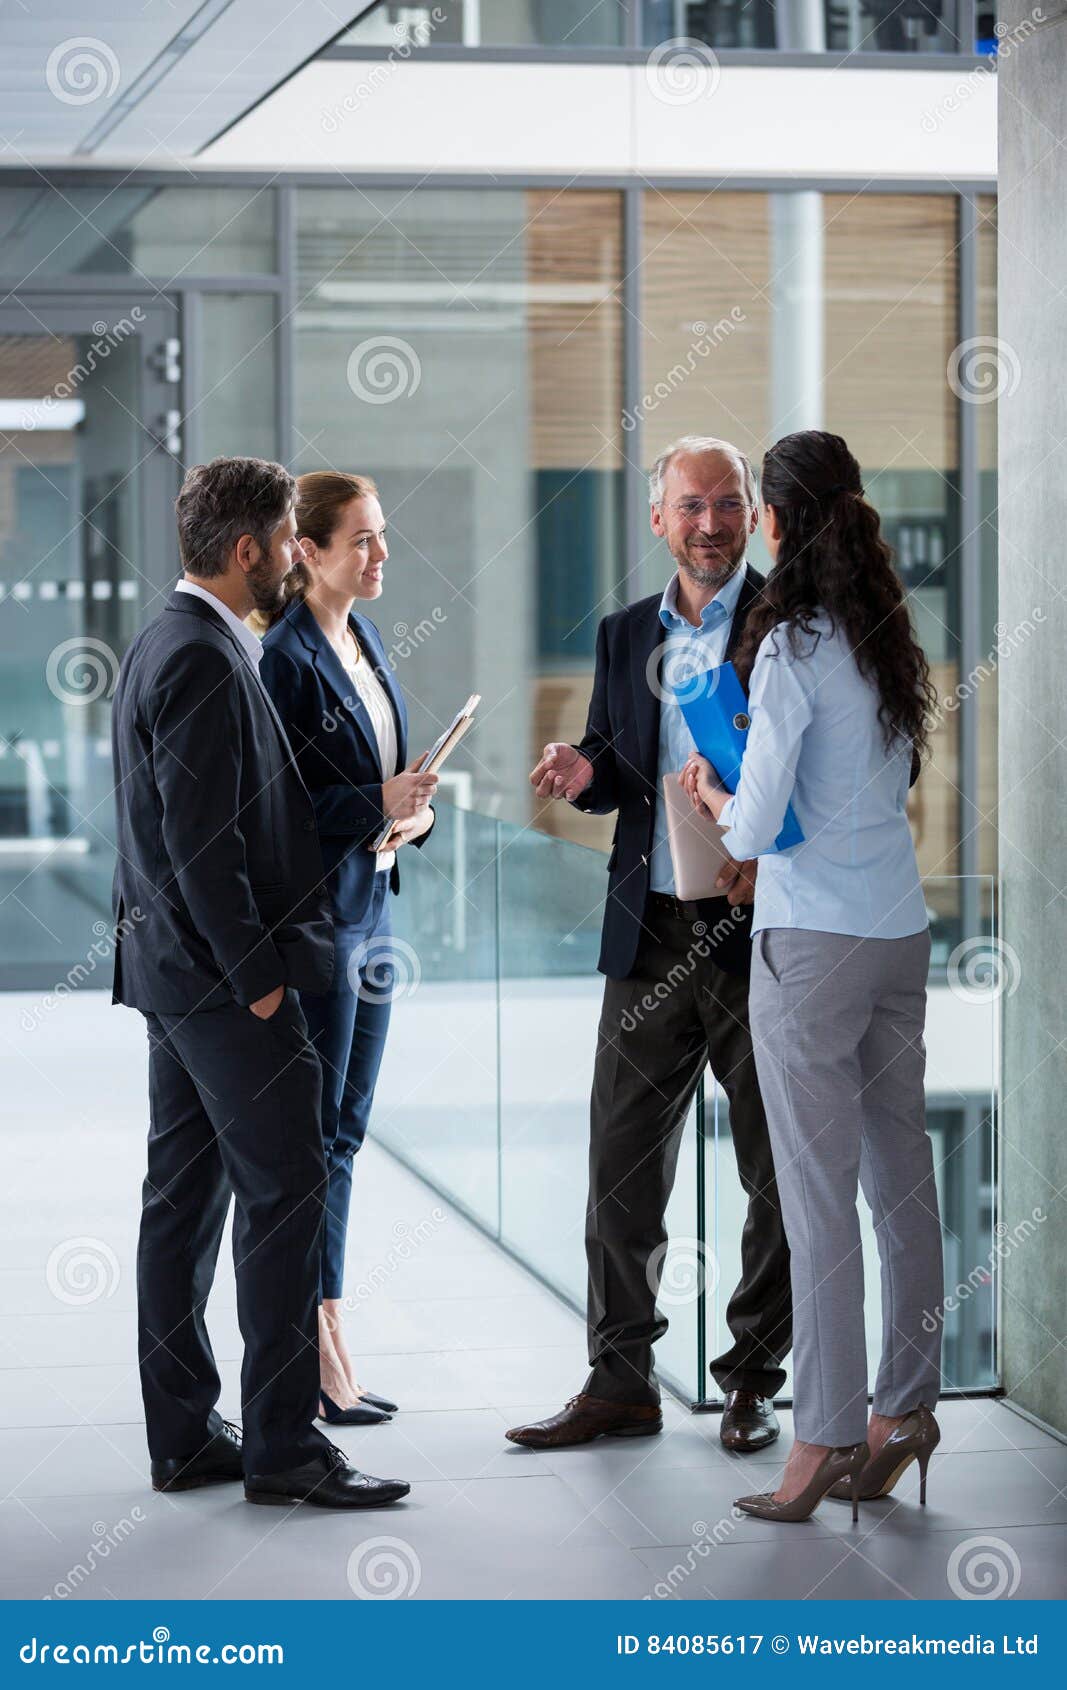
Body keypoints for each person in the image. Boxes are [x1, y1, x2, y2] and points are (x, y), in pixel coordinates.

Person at [111, 455, 409, 1510]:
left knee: (182, 1204)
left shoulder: (174, 638)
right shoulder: (201, 656)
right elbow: (201, 850)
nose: (296, 557)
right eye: (291, 540)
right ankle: (286, 1448)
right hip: (226, 990)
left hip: (176, 981)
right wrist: (263, 988)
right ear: (250, 551)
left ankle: (187, 1435)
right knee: (285, 1199)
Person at [506, 436, 792, 1456]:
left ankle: (753, 1382)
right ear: (659, 519)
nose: (709, 522)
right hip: (645, 932)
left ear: (750, 514)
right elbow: (619, 760)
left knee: (776, 1172)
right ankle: (618, 1379)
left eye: (727, 504)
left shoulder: (788, 623)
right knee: (620, 1166)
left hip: (756, 931)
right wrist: (583, 768)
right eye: (690, 505)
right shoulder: (627, 631)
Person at [681, 429, 943, 1523]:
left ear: (776, 521)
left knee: (813, 1199)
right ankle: (904, 1413)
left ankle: (824, 1439)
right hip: (896, 932)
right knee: (900, 1182)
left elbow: (757, 816)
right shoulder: (886, 634)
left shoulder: (788, 643)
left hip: (809, 945)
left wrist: (708, 796)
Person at [259, 472, 437, 1427]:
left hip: (373, 909)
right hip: (322, 923)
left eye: (382, 536)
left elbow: (380, 778)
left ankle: (328, 1328)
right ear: (309, 551)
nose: (378, 556)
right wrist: (373, 806)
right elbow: (277, 809)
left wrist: (410, 813)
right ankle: (316, 1347)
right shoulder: (283, 659)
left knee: (347, 1131)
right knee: (315, 1135)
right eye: (360, 540)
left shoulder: (362, 639)